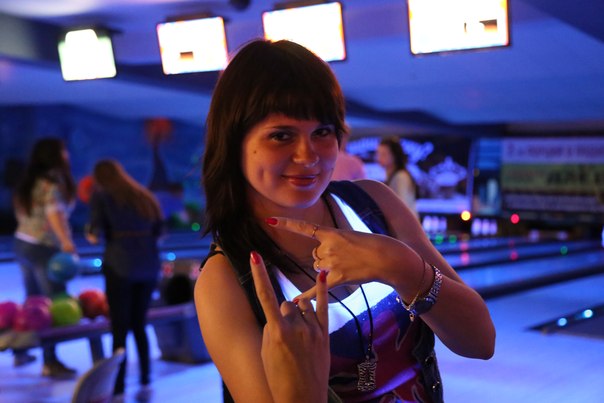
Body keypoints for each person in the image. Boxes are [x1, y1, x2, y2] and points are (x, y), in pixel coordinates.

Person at [194, 39, 495, 403]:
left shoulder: (375, 203)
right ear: (234, 142)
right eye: (281, 135)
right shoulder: (224, 281)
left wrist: (401, 267)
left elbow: (481, 342)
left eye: (322, 132)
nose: (308, 156)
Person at [85, 159, 164, 402]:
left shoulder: (102, 196)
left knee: (119, 327)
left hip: (120, 265)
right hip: (148, 266)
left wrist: (91, 233)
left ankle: (118, 384)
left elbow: (94, 231)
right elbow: (160, 232)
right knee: (139, 323)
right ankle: (146, 376)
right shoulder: (143, 196)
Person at [13, 137, 77, 377]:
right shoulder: (52, 182)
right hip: (43, 247)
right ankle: (51, 361)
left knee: (32, 302)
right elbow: (54, 215)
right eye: (64, 150)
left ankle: (21, 351)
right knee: (52, 304)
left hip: (22, 243)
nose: (67, 155)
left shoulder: (29, 181)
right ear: (56, 155)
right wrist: (66, 242)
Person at [376, 136, 419, 218]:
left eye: (384, 154)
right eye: (378, 154)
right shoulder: (394, 176)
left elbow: (402, 208)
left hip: (406, 224)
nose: (379, 158)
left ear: (394, 155)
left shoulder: (401, 177)